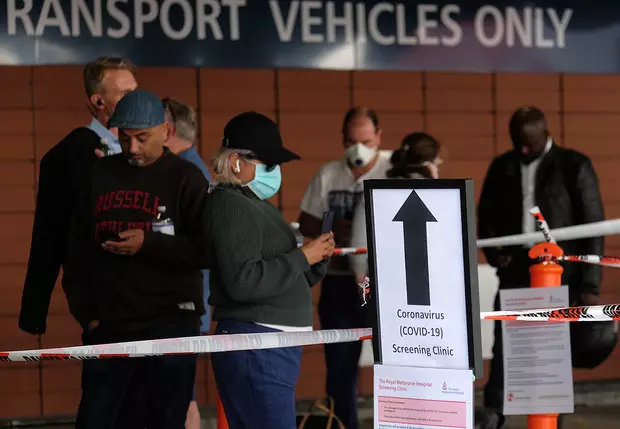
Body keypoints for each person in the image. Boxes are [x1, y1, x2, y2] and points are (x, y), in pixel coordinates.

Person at [63, 88, 211, 428]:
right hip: (109, 327)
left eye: (142, 138)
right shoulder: (100, 175)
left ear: (166, 132)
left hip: (171, 325)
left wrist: (149, 244)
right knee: (97, 420)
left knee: (164, 421)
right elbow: (76, 249)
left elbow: (206, 250)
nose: (132, 148)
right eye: (125, 138)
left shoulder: (186, 178)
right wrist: (86, 315)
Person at [205, 111, 335, 429]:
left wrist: (317, 257)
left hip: (268, 344)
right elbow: (243, 282)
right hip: (257, 344)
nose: (276, 172)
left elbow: (292, 276)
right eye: (270, 164)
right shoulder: (231, 205)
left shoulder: (255, 204)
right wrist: (303, 256)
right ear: (236, 161)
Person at [477, 106, 604, 429]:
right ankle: (494, 420)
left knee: (552, 353)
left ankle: (551, 423)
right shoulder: (502, 166)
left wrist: (590, 285)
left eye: (529, 144)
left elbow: (592, 225)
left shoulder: (574, 165)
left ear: (546, 134)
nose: (522, 150)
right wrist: (495, 253)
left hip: (561, 274)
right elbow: (486, 216)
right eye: (517, 143)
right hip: (515, 269)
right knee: (504, 348)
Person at [19, 56, 138, 335]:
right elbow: (49, 236)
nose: (137, 100)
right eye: (125, 94)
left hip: (159, 308)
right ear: (99, 101)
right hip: (106, 306)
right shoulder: (68, 157)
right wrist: (34, 312)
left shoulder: (157, 151)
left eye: (137, 91)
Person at [297, 107, 392, 429]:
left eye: (365, 140)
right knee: (339, 367)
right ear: (342, 140)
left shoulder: (393, 169)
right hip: (338, 281)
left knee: (392, 362)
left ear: (379, 137)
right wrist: (339, 227)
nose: (359, 149)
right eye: (352, 141)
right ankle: (343, 424)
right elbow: (308, 219)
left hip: (384, 284)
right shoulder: (329, 173)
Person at [162, 97, 212, 429]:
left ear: (167, 130)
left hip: (182, 302)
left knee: (181, 396)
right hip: (178, 301)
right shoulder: (187, 171)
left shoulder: (188, 175)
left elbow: (198, 247)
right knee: (177, 394)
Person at [349, 132, 443, 282]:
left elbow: (359, 243)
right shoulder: (442, 198)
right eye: (438, 162)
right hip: (430, 279)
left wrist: (362, 285)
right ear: (429, 166)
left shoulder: (375, 193)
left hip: (384, 279)